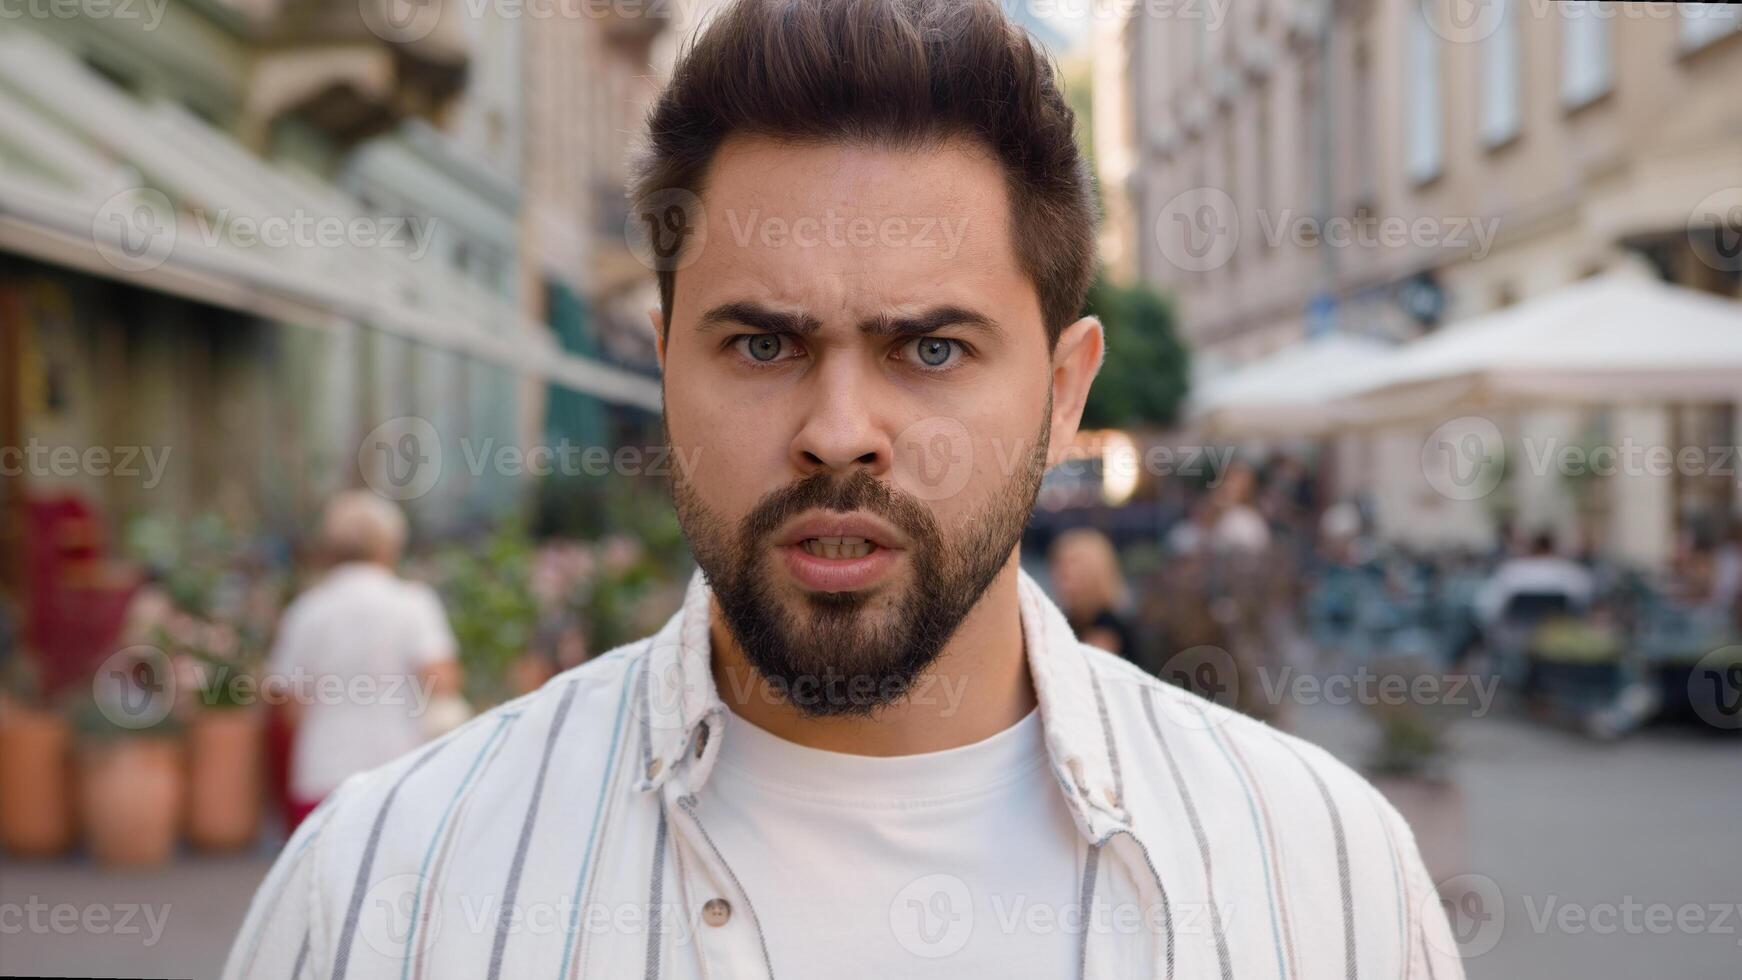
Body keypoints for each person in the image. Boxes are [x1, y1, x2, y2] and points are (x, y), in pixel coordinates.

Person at [225, 3, 1462, 977]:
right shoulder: (385, 887)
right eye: (761, 344)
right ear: (664, 367)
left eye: (931, 349)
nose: (836, 435)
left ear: (1062, 392)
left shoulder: (1321, 875)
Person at [263, 490, 463, 831]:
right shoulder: (413, 603)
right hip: (399, 770)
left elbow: (285, 698)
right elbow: (442, 679)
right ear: (390, 546)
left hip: (322, 773)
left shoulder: (307, 610)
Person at [1474, 530, 1595, 628]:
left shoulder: (1511, 571)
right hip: (1560, 635)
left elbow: (1487, 607)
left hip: (1515, 635)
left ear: (1531, 547)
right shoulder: (1572, 572)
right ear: (1554, 547)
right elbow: (1584, 602)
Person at [1047, 528, 1135, 659]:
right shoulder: (1065, 620)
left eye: (1074, 563)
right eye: (1058, 563)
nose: (1063, 571)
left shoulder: (1109, 628)